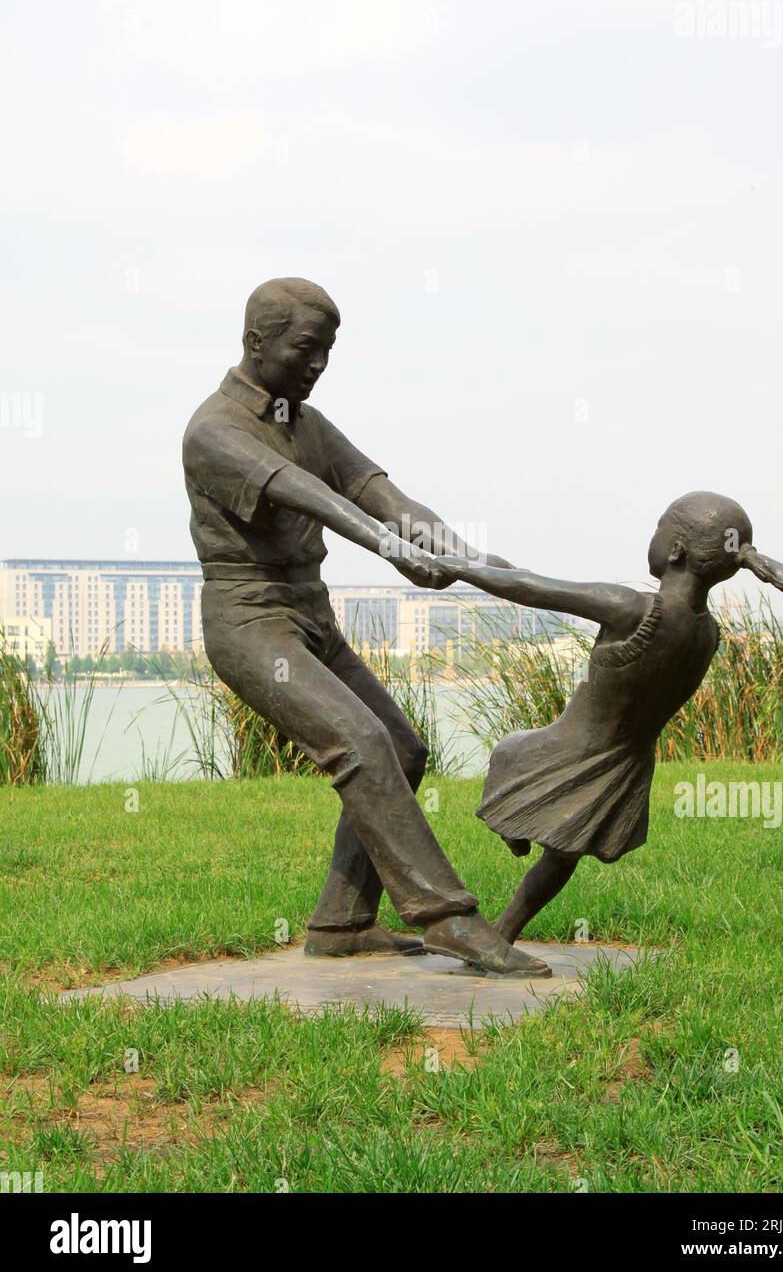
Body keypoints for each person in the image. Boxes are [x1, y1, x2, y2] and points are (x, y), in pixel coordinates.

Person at [182, 277, 550, 977]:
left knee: (403, 749)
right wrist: (394, 552)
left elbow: (378, 494)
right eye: (305, 348)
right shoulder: (215, 431)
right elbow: (310, 495)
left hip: (311, 616)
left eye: (327, 351)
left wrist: (464, 556)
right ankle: (446, 917)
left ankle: (343, 923)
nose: (319, 364)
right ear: (258, 340)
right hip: (250, 622)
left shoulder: (307, 424)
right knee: (358, 741)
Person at [437, 491, 783, 942]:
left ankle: (514, 833)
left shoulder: (631, 607)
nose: (652, 538)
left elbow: (533, 588)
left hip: (569, 746)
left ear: (675, 549)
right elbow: (523, 577)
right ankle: (505, 931)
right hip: (629, 765)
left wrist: (457, 570)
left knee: (507, 752)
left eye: (658, 528)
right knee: (561, 855)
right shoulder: (706, 633)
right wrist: (475, 559)